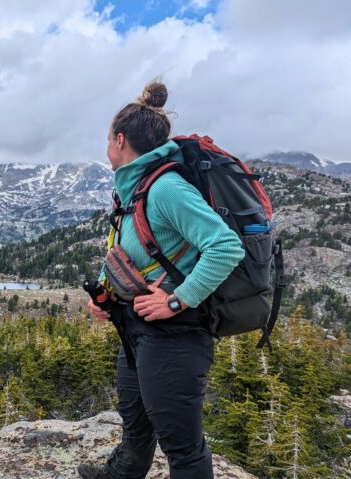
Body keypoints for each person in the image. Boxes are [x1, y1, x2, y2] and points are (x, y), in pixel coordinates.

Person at [77, 81, 245, 479]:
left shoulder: (166, 188)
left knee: (182, 445)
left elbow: (225, 246)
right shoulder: (131, 189)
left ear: (120, 140)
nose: (106, 147)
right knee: (135, 418)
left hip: (175, 332)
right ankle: (123, 473)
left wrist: (177, 299)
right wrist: (104, 293)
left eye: (108, 139)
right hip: (136, 326)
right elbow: (128, 249)